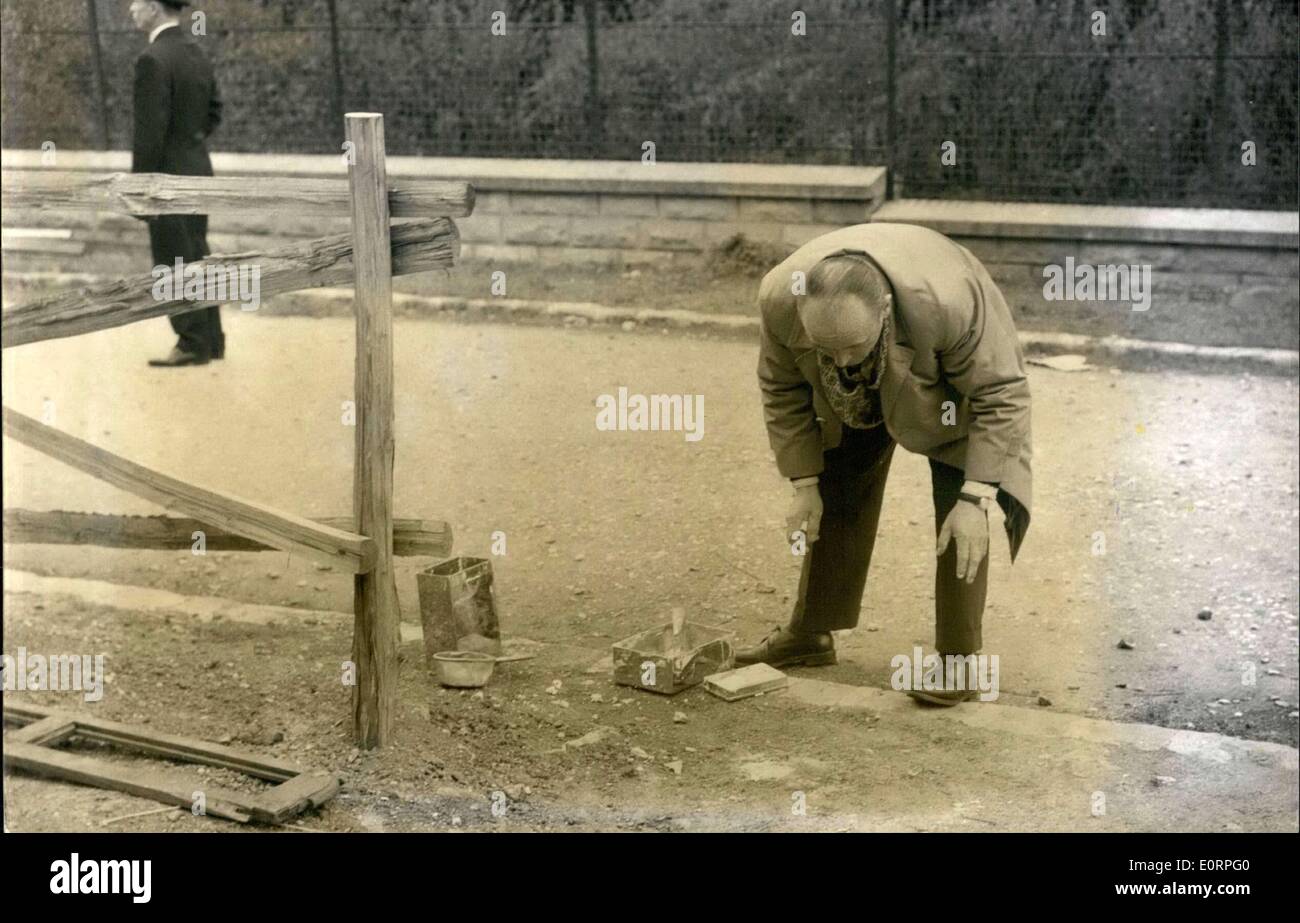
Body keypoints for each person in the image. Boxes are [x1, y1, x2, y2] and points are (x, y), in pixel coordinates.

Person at [739, 222, 1032, 706]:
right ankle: (810, 633)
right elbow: (781, 387)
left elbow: (1001, 394)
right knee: (837, 481)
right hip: (857, 397)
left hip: (949, 395)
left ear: (886, 312)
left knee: (961, 521)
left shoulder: (949, 304)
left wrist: (977, 496)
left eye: (851, 347)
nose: (841, 361)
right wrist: (803, 483)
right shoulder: (779, 298)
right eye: (825, 349)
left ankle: (958, 662)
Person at [129, 0, 224, 366]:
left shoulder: (152, 59)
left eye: (135, 2)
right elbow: (214, 111)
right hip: (198, 167)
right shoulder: (196, 52)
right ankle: (212, 340)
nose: (130, 10)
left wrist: (141, 191)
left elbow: (148, 134)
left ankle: (191, 341)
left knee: (173, 257)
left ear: (153, 8)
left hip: (166, 179)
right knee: (198, 251)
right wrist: (189, 142)